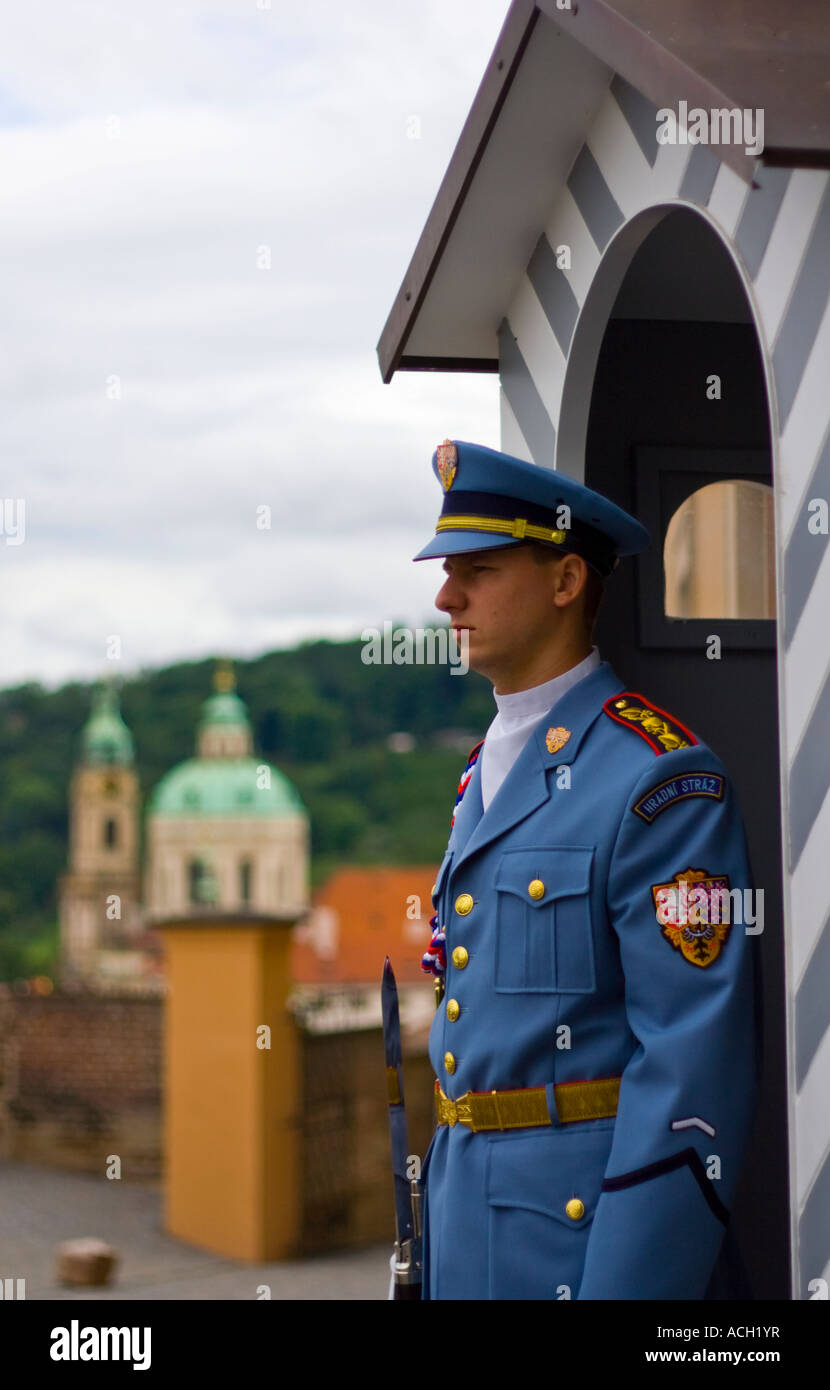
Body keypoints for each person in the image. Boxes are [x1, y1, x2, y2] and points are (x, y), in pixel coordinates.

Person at [411, 438, 759, 1301]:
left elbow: (691, 1076)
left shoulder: (659, 777)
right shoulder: (480, 768)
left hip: (583, 1249)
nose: (445, 595)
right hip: (465, 1231)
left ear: (567, 582)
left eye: (479, 569)